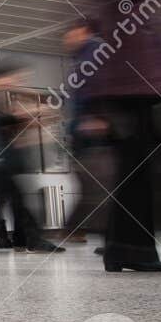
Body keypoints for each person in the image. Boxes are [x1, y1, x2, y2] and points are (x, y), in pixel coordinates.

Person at [89, 0, 161, 272]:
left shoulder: (127, 16)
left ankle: (120, 250)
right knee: (144, 181)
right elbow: (142, 64)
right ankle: (136, 252)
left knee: (131, 180)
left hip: (127, 103)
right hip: (135, 103)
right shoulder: (130, 17)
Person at [0, 62, 61, 254]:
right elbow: (9, 124)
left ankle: (20, 240)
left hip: (5, 165)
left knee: (17, 200)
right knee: (20, 200)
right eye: (9, 79)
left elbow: (24, 122)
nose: (13, 83)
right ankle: (30, 240)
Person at [59, 21, 112, 245]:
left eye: (70, 34)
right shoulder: (82, 57)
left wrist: (94, 117)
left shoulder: (93, 52)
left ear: (84, 31)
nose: (67, 40)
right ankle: (104, 235)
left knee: (96, 184)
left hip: (90, 129)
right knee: (99, 183)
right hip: (87, 132)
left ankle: (79, 229)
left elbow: (94, 89)